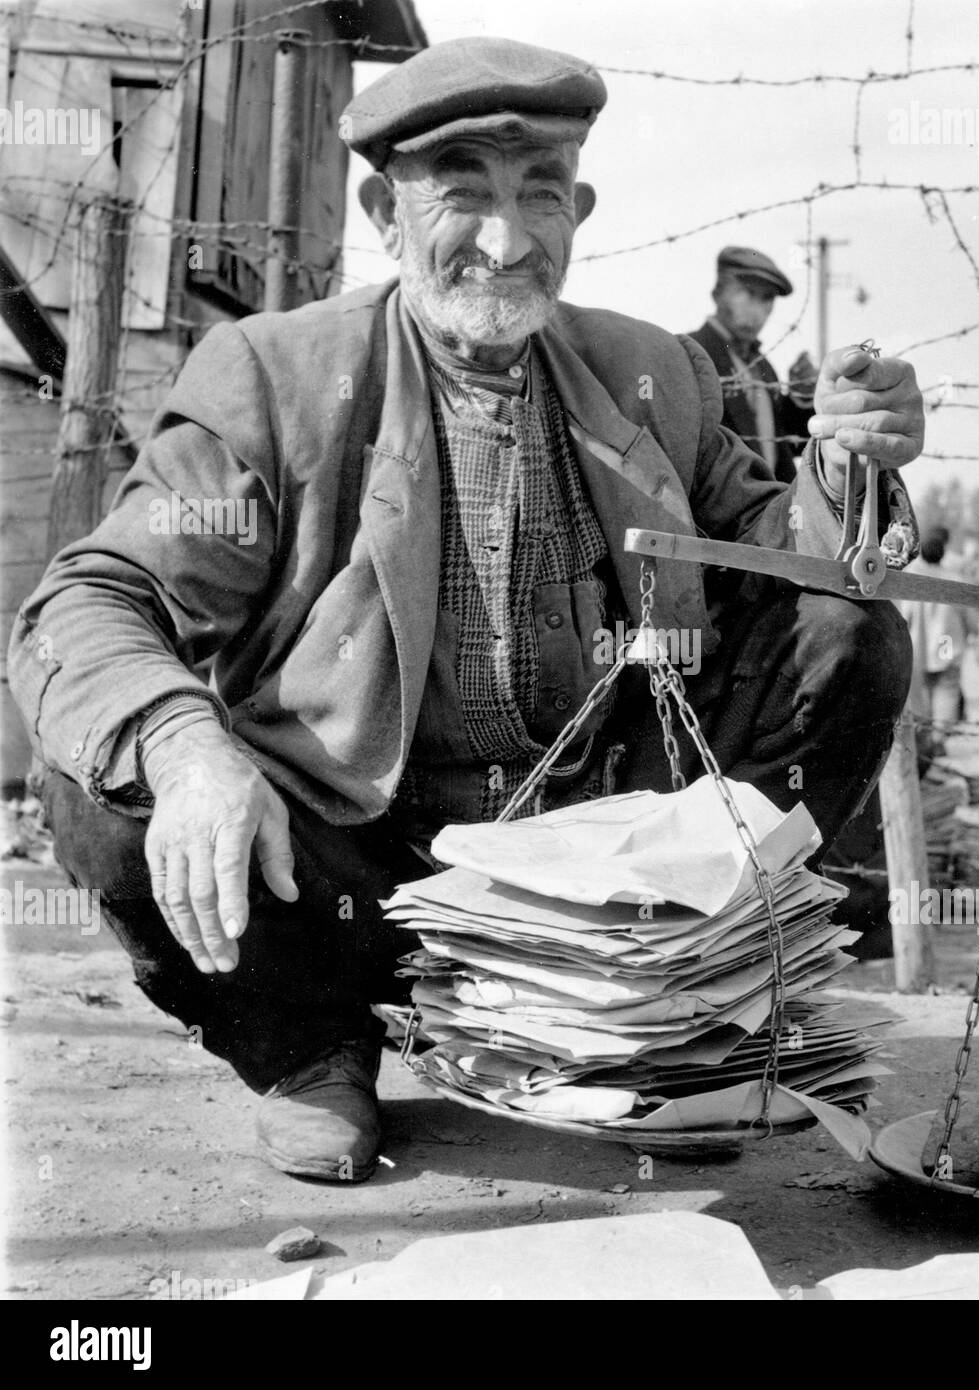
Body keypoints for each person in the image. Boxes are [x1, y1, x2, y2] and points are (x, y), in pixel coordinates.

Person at [9, 36, 925, 1184]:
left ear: (578, 209)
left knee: (851, 634)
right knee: (111, 780)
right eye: (462, 196)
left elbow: (789, 571)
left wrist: (846, 469)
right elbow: (91, 599)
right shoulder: (275, 376)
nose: (505, 238)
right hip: (349, 870)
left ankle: (673, 1027)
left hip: (594, 873)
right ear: (386, 212)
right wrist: (190, 750)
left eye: (538, 193)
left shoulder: (654, 373)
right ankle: (309, 1050)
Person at [688, 248, 818, 484]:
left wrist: (802, 398)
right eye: (748, 293)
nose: (757, 310)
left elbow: (781, 442)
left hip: (772, 509)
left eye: (767, 298)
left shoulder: (762, 365)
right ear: (718, 293)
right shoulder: (691, 353)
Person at [898, 527, 976, 759]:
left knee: (920, 694)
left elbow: (904, 614)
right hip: (947, 645)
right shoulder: (955, 580)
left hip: (918, 647)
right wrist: (973, 632)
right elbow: (970, 618)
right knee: (947, 691)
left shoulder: (909, 578)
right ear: (943, 553)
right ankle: (938, 739)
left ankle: (924, 740)